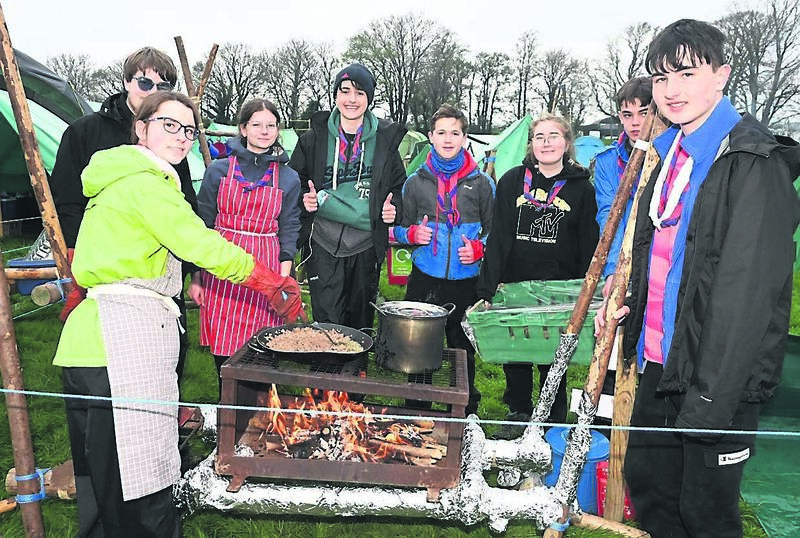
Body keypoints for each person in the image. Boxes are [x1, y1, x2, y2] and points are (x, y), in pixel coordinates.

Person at [53, 92, 304, 537]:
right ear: (141, 127)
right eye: (170, 124)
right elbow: (199, 242)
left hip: (86, 348)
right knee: (142, 481)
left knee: (101, 483)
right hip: (120, 345)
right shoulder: (146, 182)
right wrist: (269, 281)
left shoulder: (116, 179)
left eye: (188, 129)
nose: (182, 137)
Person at [597, 19, 800, 537]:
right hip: (662, 361)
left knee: (705, 511)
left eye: (686, 73)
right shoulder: (668, 155)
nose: (671, 90)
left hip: (718, 377)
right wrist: (625, 304)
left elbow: (749, 294)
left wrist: (711, 401)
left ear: (721, 75)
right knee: (650, 486)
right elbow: (659, 253)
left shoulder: (753, 160)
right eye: (660, 79)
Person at [49, 46, 199, 380]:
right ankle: (107, 415)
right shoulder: (85, 132)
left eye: (163, 87)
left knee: (170, 344)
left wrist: (193, 268)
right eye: (145, 84)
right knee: (103, 355)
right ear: (127, 82)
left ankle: (166, 409)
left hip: (160, 264)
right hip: (106, 263)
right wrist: (77, 250)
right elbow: (67, 199)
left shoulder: (173, 136)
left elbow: (186, 204)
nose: (153, 93)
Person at [477, 113, 599, 439]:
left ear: (566, 143)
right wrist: (489, 284)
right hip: (514, 285)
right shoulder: (512, 181)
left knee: (552, 356)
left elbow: (587, 241)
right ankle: (517, 412)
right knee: (515, 352)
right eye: (539, 137)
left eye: (553, 136)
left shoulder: (581, 189)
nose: (546, 143)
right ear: (531, 144)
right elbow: (499, 235)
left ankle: (552, 418)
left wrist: (585, 291)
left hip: (559, 290)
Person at [391, 104, 495, 417]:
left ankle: (463, 413)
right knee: (419, 347)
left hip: (467, 281)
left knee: (462, 350)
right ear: (430, 137)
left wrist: (480, 249)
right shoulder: (414, 182)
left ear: (465, 138)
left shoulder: (483, 184)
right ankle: (416, 409)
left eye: (455, 132)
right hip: (426, 278)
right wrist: (412, 234)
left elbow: (495, 233)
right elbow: (397, 229)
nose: (448, 139)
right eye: (441, 132)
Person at [290, 63, 406, 330]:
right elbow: (294, 182)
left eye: (360, 93)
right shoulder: (313, 139)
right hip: (322, 243)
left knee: (359, 322)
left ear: (369, 99)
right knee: (327, 324)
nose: (351, 99)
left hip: (365, 245)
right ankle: (328, 371)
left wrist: (394, 210)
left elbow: (399, 187)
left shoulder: (385, 142)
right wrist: (304, 202)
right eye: (345, 91)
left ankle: (357, 372)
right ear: (335, 95)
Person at [192, 98, 301, 372]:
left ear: (278, 131)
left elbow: (289, 226)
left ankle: (263, 410)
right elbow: (202, 225)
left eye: (271, 125)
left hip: (266, 268)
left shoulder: (289, 178)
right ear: (243, 128)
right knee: (225, 353)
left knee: (265, 349)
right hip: (221, 267)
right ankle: (228, 404)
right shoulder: (217, 171)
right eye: (257, 124)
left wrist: (283, 278)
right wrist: (197, 277)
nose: (264, 131)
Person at [591, 76, 652, 433]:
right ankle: (604, 431)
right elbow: (608, 217)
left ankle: (644, 428)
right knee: (613, 340)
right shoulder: (607, 162)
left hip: (656, 263)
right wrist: (614, 270)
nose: (635, 123)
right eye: (627, 114)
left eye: (643, 113)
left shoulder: (671, 152)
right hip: (623, 259)